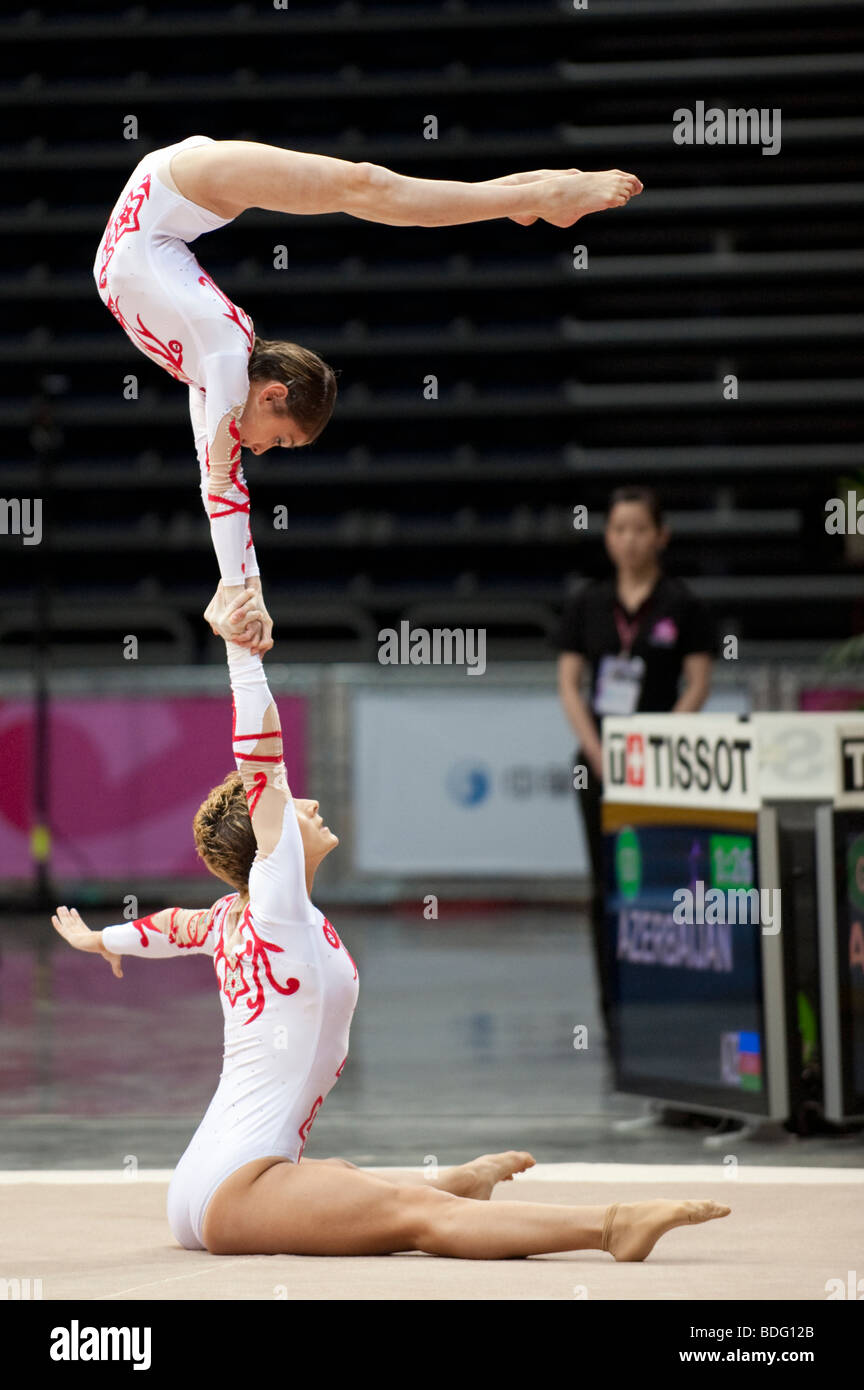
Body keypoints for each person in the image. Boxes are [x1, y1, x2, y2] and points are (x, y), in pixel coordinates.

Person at [50, 586, 729, 1260]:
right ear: (269, 836)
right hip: (237, 1183)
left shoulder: (239, 916)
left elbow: (170, 928)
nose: (307, 800)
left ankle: (452, 1183)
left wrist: (100, 939)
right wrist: (241, 653)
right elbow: (261, 761)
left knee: (344, 1180)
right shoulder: (274, 898)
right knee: (416, 1220)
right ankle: (610, 1227)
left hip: (220, 1176)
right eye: (289, 801)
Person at [93, 134, 644, 656]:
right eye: (280, 440)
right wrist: (240, 585)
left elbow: (217, 481)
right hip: (181, 184)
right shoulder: (223, 362)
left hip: (164, 210)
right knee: (365, 185)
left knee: (367, 187)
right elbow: (222, 480)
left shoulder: (214, 372)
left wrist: (238, 586)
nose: (262, 451)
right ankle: (537, 196)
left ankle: (525, 196)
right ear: (272, 395)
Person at [556, 486, 714, 1059]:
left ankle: (667, 1007)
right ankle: (616, 1016)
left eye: (640, 529)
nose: (629, 540)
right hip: (600, 769)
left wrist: (659, 740)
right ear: (608, 537)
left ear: (660, 536)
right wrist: (598, 750)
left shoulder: (682, 604)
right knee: (607, 890)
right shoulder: (589, 604)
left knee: (663, 888)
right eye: (619, 529)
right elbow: (569, 683)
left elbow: (698, 683)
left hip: (662, 770)